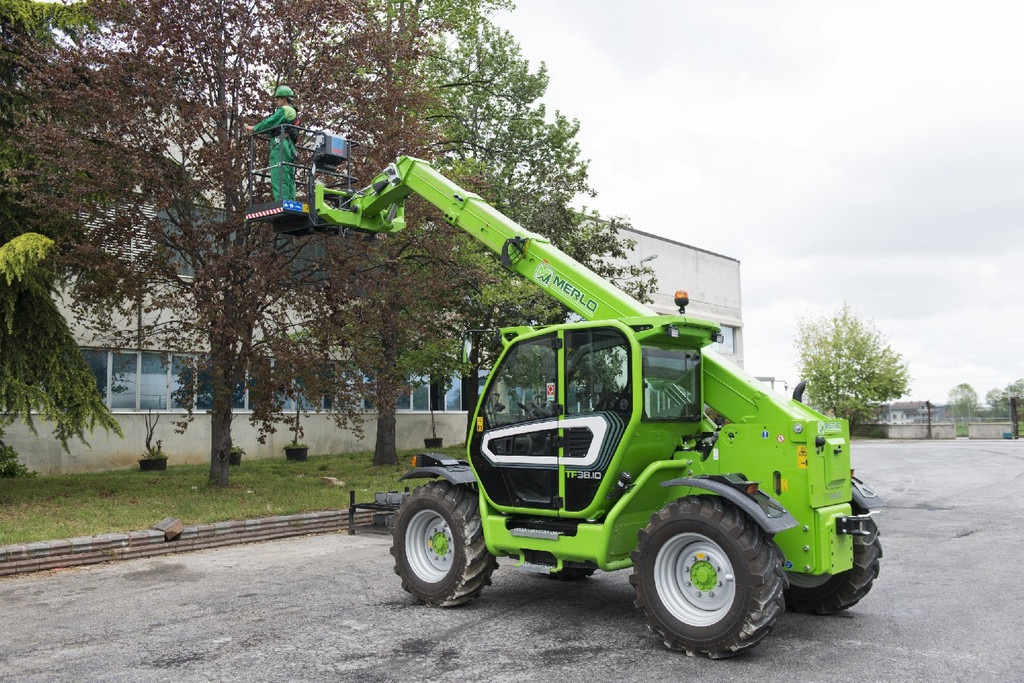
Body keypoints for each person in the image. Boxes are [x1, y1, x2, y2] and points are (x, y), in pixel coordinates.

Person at [246, 85, 299, 201]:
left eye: (277, 99)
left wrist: (255, 128)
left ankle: (281, 201)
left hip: (280, 144)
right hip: (289, 146)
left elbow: (269, 122)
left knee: (278, 174)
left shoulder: (284, 110)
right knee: (288, 174)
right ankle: (290, 201)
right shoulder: (292, 111)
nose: (276, 102)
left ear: (283, 99)